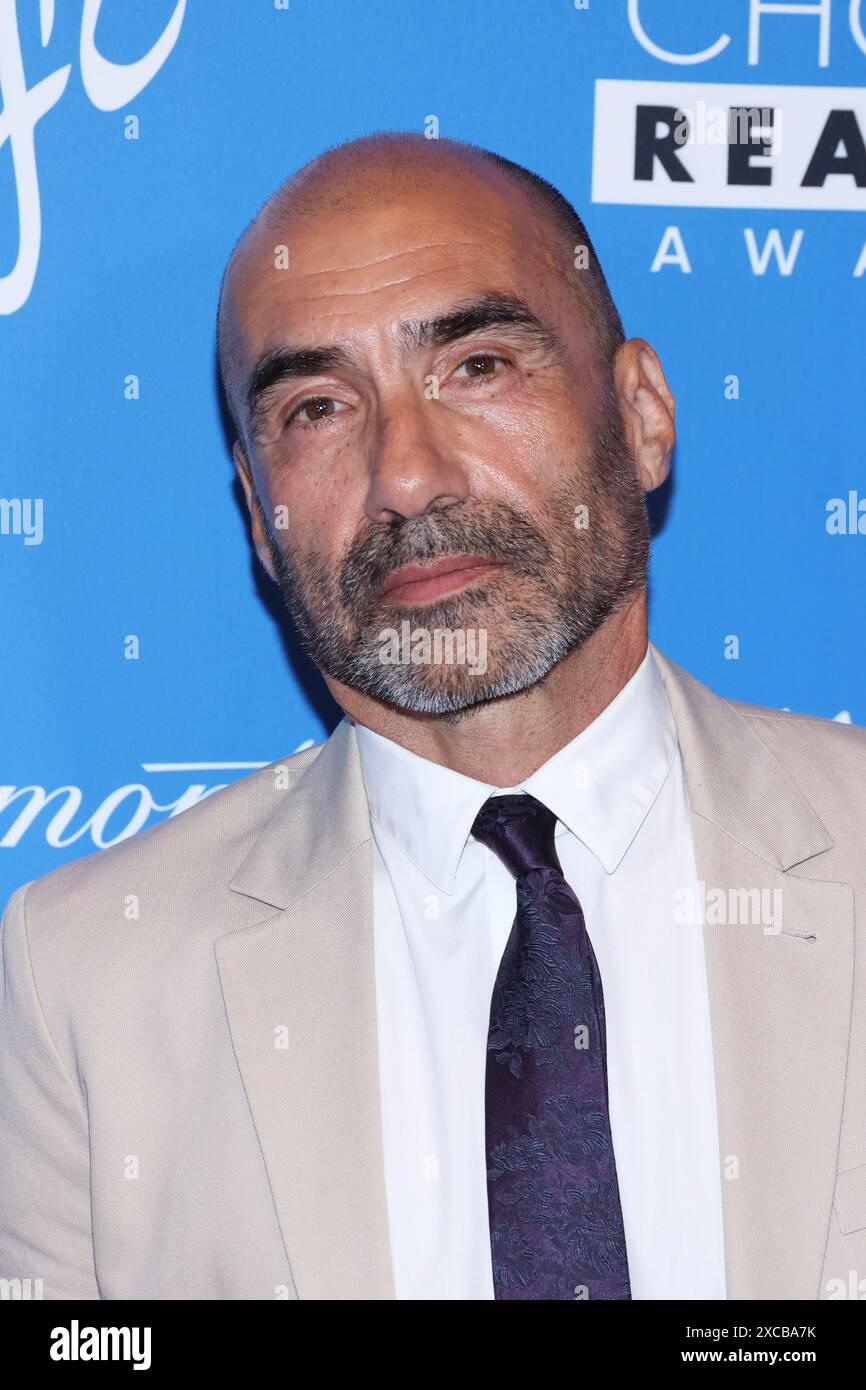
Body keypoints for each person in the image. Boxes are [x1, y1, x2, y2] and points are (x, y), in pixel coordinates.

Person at [2, 132, 864, 1301]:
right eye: (315, 406)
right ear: (260, 520)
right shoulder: (85, 980)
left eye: (477, 366)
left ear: (643, 415)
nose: (405, 474)